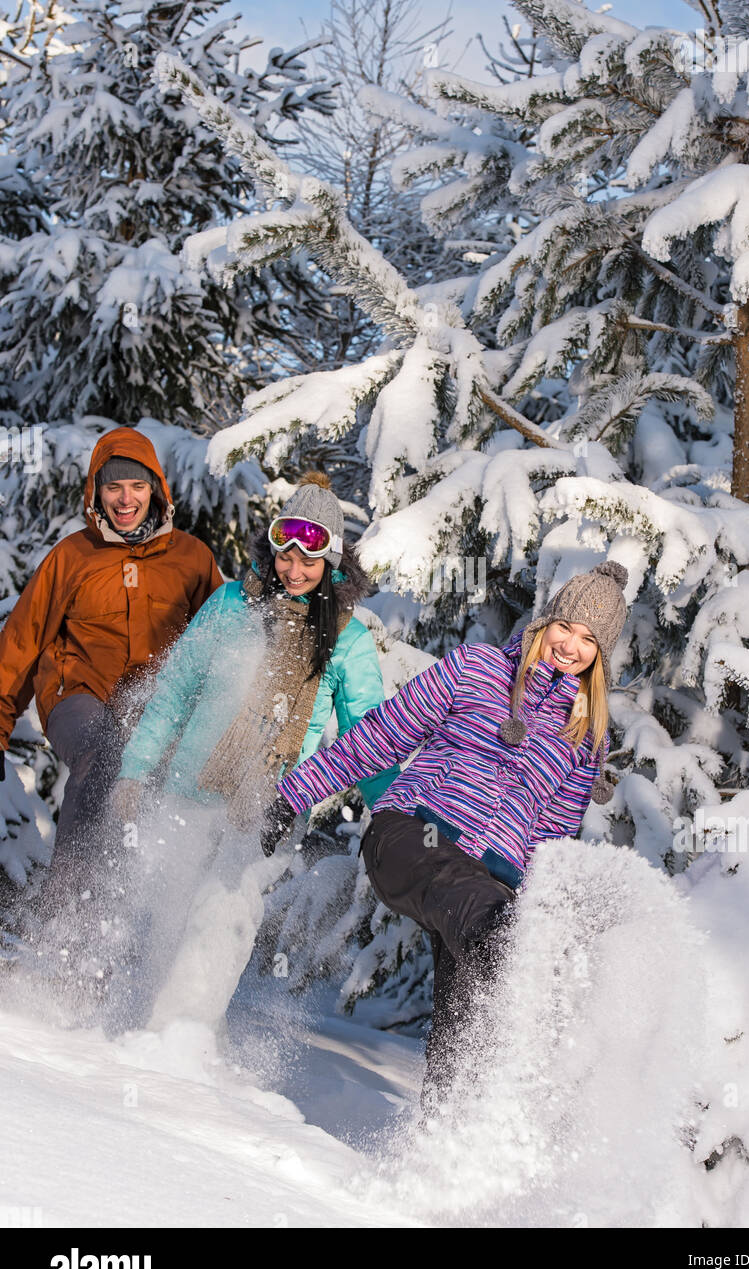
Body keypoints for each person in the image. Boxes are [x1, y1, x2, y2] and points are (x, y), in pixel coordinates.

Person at [260, 560, 629, 1111]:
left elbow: (553, 837)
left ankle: (445, 1145)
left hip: (490, 888)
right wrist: (294, 795)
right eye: (564, 628)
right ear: (543, 623)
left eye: (588, 640)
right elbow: (381, 737)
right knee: (480, 913)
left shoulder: (585, 735)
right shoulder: (476, 669)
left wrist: (538, 908)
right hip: (414, 836)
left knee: (468, 1029)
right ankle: (505, 944)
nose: (571, 646)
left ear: (600, 655)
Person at [113, 471, 399, 1029]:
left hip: (268, 805)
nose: (293, 570)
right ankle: (139, 1018)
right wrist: (135, 768)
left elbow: (369, 737)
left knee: (225, 910)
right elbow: (175, 691)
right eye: (284, 556)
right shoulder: (229, 605)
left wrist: (392, 810)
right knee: (167, 911)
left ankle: (182, 1036)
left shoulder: (348, 640)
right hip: (188, 787)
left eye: (308, 561)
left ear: (332, 564)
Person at [0, 427, 223, 928]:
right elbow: (20, 642)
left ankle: (138, 934)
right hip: (78, 694)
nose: (126, 499)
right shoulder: (72, 556)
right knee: (104, 754)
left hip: (156, 708)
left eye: (137, 487)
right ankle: (65, 924)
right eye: (114, 487)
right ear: (96, 492)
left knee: (168, 791)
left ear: (156, 491)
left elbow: (222, 642)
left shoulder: (190, 558)